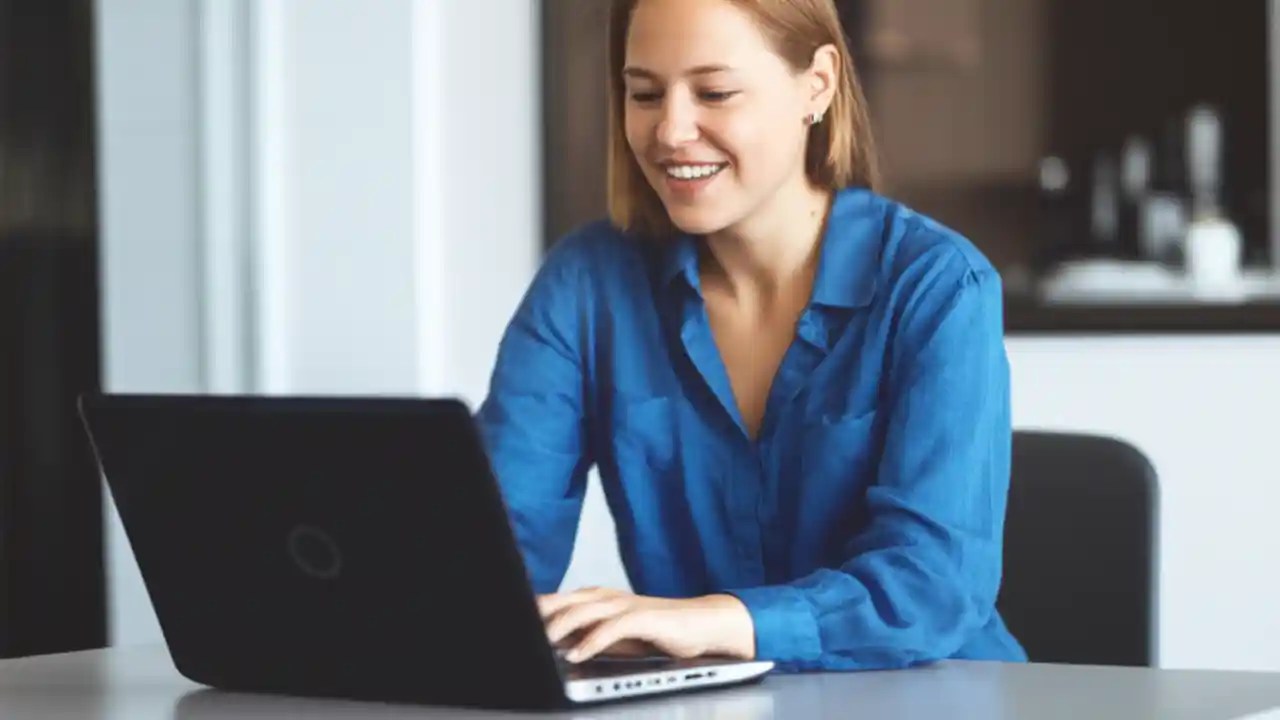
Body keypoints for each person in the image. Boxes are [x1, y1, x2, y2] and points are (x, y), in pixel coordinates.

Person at [475, 0, 1027, 672]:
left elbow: (932, 587)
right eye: (644, 93)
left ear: (816, 85)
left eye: (715, 92)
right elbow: (494, 555)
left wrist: (712, 621)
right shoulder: (587, 284)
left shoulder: (937, 286)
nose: (670, 130)